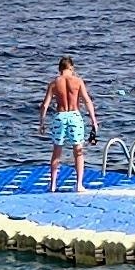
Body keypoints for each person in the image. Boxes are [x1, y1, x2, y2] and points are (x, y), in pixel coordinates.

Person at [39, 56, 98, 193]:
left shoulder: (54, 83)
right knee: (78, 151)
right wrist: (93, 121)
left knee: (56, 152)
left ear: (60, 69)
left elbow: (45, 105)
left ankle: (53, 185)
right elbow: (87, 101)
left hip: (60, 116)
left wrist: (41, 123)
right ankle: (79, 185)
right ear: (71, 68)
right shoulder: (78, 81)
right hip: (74, 116)